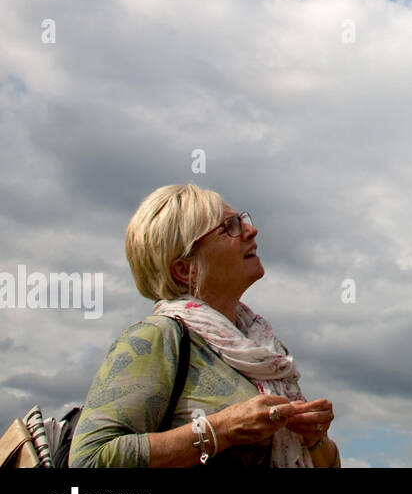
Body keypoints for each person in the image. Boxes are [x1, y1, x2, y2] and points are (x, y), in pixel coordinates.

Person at [71, 184, 339, 467]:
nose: (250, 230)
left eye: (241, 219)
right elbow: (89, 459)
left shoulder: (264, 349)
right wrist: (220, 430)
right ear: (185, 269)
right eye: (229, 227)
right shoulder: (158, 337)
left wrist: (316, 438)